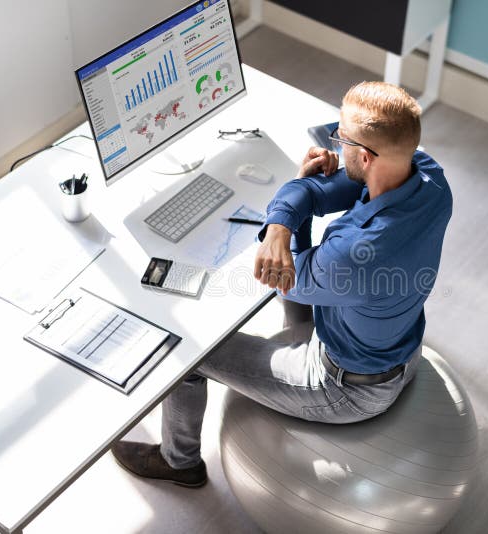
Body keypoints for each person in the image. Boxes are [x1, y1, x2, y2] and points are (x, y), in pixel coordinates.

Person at [111, 81, 452, 487]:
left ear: (363, 155)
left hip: (346, 387)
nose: (334, 147)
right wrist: (282, 221)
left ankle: (178, 462)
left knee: (188, 354)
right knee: (309, 264)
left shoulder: (356, 254)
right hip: (398, 347)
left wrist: (282, 225)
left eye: (340, 139)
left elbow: (282, 278)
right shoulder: (429, 178)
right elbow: (317, 191)